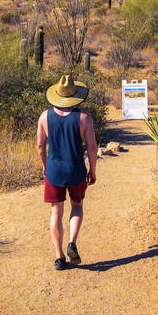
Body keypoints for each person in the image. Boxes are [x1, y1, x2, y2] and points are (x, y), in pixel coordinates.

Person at [37, 74, 98, 271]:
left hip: (54, 172)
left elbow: (40, 146)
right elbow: (92, 148)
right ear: (75, 95)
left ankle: (59, 257)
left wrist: (45, 166)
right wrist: (92, 170)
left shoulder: (44, 116)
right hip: (77, 171)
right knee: (77, 207)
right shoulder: (84, 117)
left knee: (56, 212)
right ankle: (72, 242)